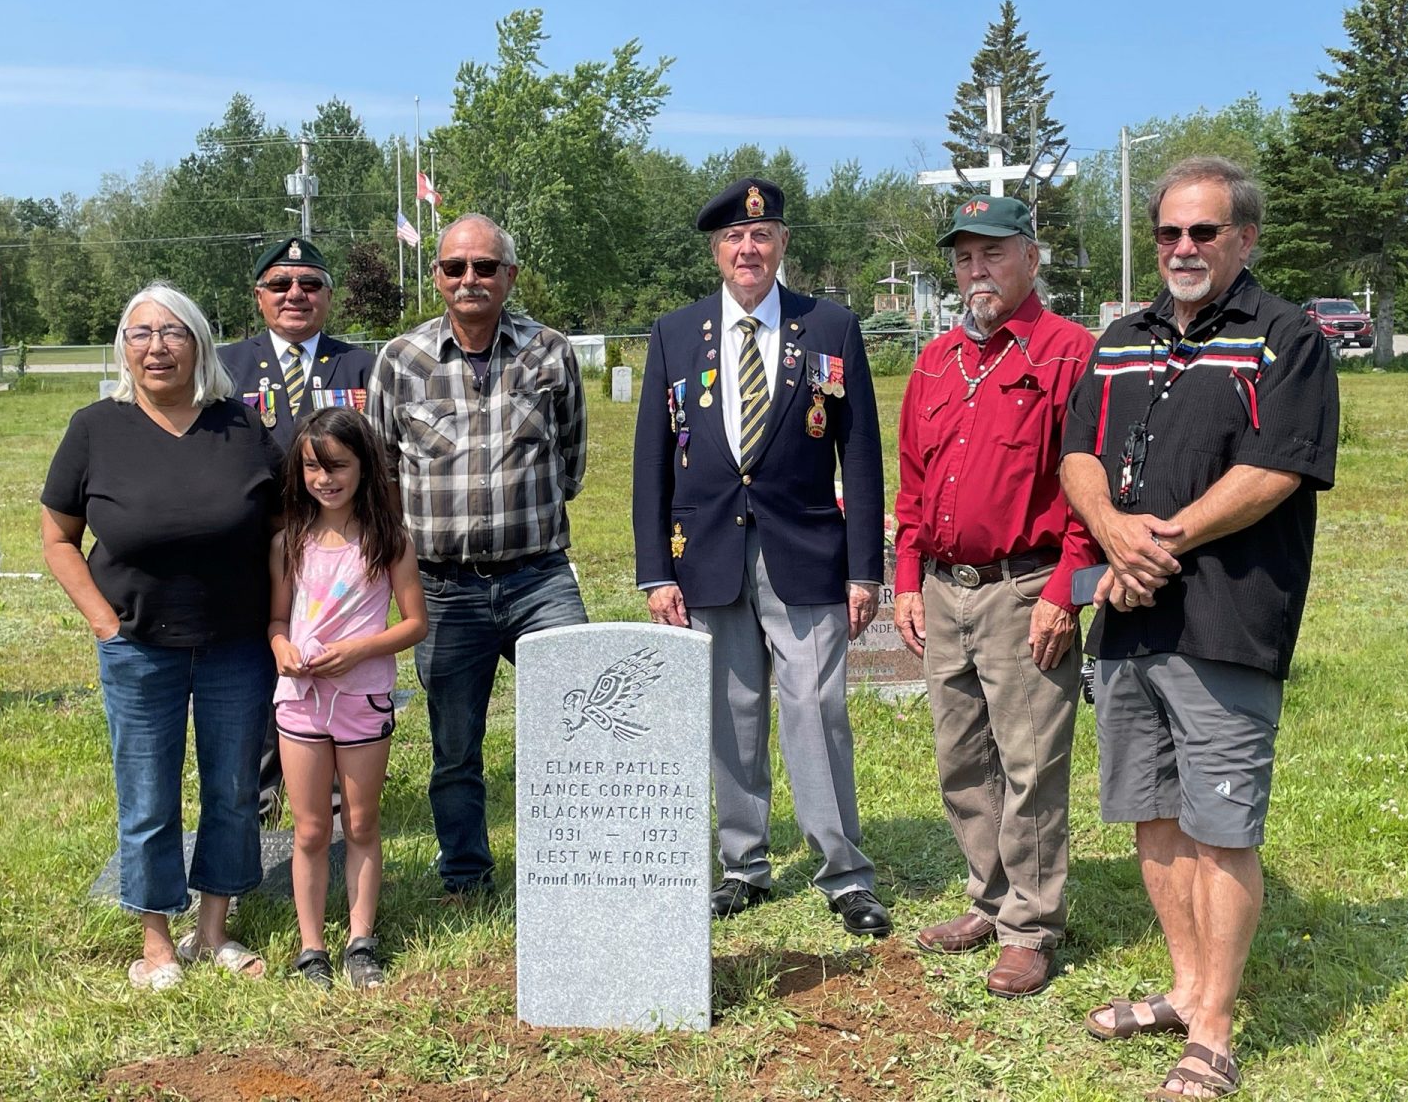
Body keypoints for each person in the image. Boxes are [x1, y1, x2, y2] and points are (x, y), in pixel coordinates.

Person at [1060, 156, 1338, 1099]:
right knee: (1153, 813)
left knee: (1221, 827)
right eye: (1170, 233)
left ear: (1244, 239)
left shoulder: (1284, 339)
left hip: (1225, 620)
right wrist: (1110, 534)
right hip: (1130, 624)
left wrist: (1155, 545)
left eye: (1204, 233)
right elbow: (1078, 454)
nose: (1183, 248)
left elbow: (1278, 469)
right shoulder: (1124, 336)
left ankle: (1214, 1026)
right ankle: (1183, 988)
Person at [632, 177, 891, 937]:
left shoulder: (830, 327)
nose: (749, 249)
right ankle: (743, 864)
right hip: (706, 552)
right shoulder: (675, 333)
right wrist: (655, 570)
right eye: (734, 240)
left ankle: (844, 873)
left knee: (817, 708)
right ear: (717, 251)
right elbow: (651, 458)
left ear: (781, 244)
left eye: (763, 236)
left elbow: (862, 455)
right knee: (730, 714)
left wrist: (864, 567)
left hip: (806, 551)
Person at [41, 282, 283, 990]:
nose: (157, 346)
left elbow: (279, 532)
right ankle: (155, 943)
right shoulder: (95, 427)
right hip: (138, 646)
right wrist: (101, 621)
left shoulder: (240, 426)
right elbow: (58, 536)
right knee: (147, 796)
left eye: (173, 332)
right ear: (124, 347)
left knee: (234, 790)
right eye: (142, 333)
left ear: (200, 345)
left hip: (235, 645)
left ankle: (212, 930)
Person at [893, 195, 1099, 997]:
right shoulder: (936, 360)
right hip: (946, 590)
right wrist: (907, 578)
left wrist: (1064, 592)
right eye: (964, 258)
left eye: (993, 254)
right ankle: (990, 898)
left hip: (1026, 589)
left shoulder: (1067, 354)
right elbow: (914, 480)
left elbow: (1089, 488)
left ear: (1031, 259)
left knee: (1031, 762)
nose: (976, 271)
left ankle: (1032, 926)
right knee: (962, 759)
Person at [367, 213, 588, 897]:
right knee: (455, 746)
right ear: (436, 276)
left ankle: (576, 860)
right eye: (455, 267)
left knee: (578, 719)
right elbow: (381, 474)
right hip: (444, 589)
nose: (470, 279)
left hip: (539, 580)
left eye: (485, 267)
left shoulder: (550, 353)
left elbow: (570, 463)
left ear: (510, 276)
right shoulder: (401, 361)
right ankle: (466, 873)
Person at [269, 407, 427, 989]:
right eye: (312, 466)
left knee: (361, 823)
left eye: (338, 465)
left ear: (364, 466)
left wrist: (360, 650)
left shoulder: (390, 540)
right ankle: (312, 947)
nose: (325, 478)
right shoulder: (290, 542)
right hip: (302, 700)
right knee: (310, 830)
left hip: (363, 698)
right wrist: (282, 647)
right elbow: (277, 620)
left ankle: (361, 939)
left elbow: (415, 624)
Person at [221, 237, 375, 825]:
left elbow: (378, 457)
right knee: (261, 666)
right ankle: (260, 802)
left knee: (333, 663)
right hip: (252, 547)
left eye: (309, 284)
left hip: (336, 552)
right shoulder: (227, 367)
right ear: (259, 296)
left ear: (328, 296)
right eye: (281, 284)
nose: (295, 295)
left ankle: (334, 798)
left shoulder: (360, 364)